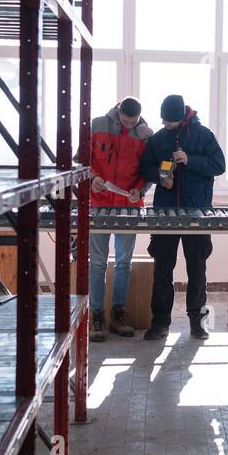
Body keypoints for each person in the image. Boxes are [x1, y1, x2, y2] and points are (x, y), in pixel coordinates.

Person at [139, 94, 226, 341]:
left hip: (197, 213)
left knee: (197, 269)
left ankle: (198, 323)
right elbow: (145, 168)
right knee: (162, 269)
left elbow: (219, 165)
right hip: (165, 213)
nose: (164, 124)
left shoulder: (204, 135)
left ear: (181, 117)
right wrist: (159, 176)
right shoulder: (158, 139)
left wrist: (189, 159)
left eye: (168, 121)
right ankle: (160, 323)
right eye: (163, 120)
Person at [88, 97, 153, 342]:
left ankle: (118, 316)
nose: (129, 125)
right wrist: (92, 177)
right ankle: (96, 317)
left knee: (124, 263)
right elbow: (82, 160)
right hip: (99, 204)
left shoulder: (145, 135)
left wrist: (140, 190)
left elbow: (149, 171)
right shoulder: (97, 125)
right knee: (97, 263)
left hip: (129, 205)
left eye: (133, 122)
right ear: (118, 111)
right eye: (126, 121)